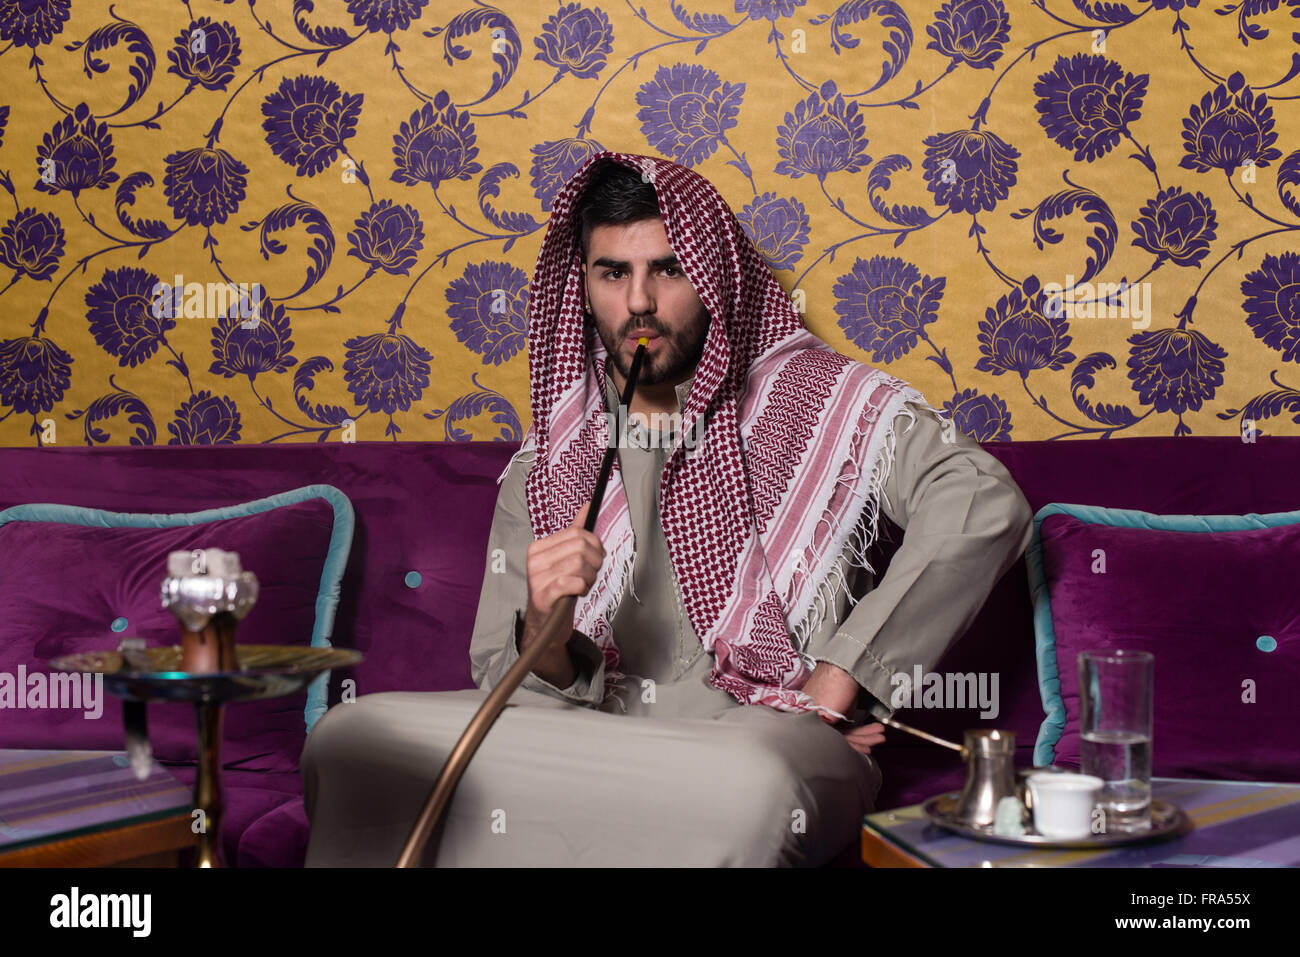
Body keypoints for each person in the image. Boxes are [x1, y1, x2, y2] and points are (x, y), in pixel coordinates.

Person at [301, 152, 1034, 867]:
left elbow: (985, 503)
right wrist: (547, 624)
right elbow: (503, 679)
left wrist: (844, 676)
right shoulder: (555, 453)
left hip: (757, 736)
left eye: (668, 269)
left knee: (749, 787)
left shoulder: (826, 403)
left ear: (714, 278)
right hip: (587, 738)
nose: (640, 302)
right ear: (583, 285)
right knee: (350, 737)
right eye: (613, 273)